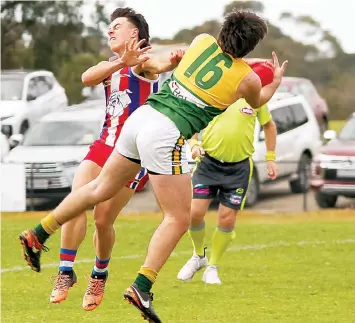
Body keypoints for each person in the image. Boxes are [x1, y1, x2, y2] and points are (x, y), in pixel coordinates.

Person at [19, 10, 287, 323]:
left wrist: (167, 62)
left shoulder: (201, 42)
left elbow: (164, 64)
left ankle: (39, 232)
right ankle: (142, 286)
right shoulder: (248, 79)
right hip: (166, 133)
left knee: (98, 188)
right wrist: (276, 82)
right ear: (251, 46)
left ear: (223, 30)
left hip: (140, 119)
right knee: (178, 218)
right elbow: (258, 100)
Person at [21, 7, 183, 312]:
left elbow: (156, 66)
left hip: (131, 154)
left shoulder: (144, 61)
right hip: (103, 147)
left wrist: (171, 61)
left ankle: (99, 274)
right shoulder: (112, 65)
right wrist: (120, 62)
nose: (110, 31)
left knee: (102, 219)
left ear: (135, 34)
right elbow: (86, 78)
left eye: (117, 26)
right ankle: (66, 271)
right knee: (76, 202)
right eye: (109, 27)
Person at [177, 63, 278, 284]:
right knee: (194, 213)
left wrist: (271, 157)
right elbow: (194, 122)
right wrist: (194, 144)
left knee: (227, 218)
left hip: (238, 168)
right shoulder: (217, 94)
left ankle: (212, 266)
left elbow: (269, 126)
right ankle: (198, 256)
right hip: (208, 163)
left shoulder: (257, 100)